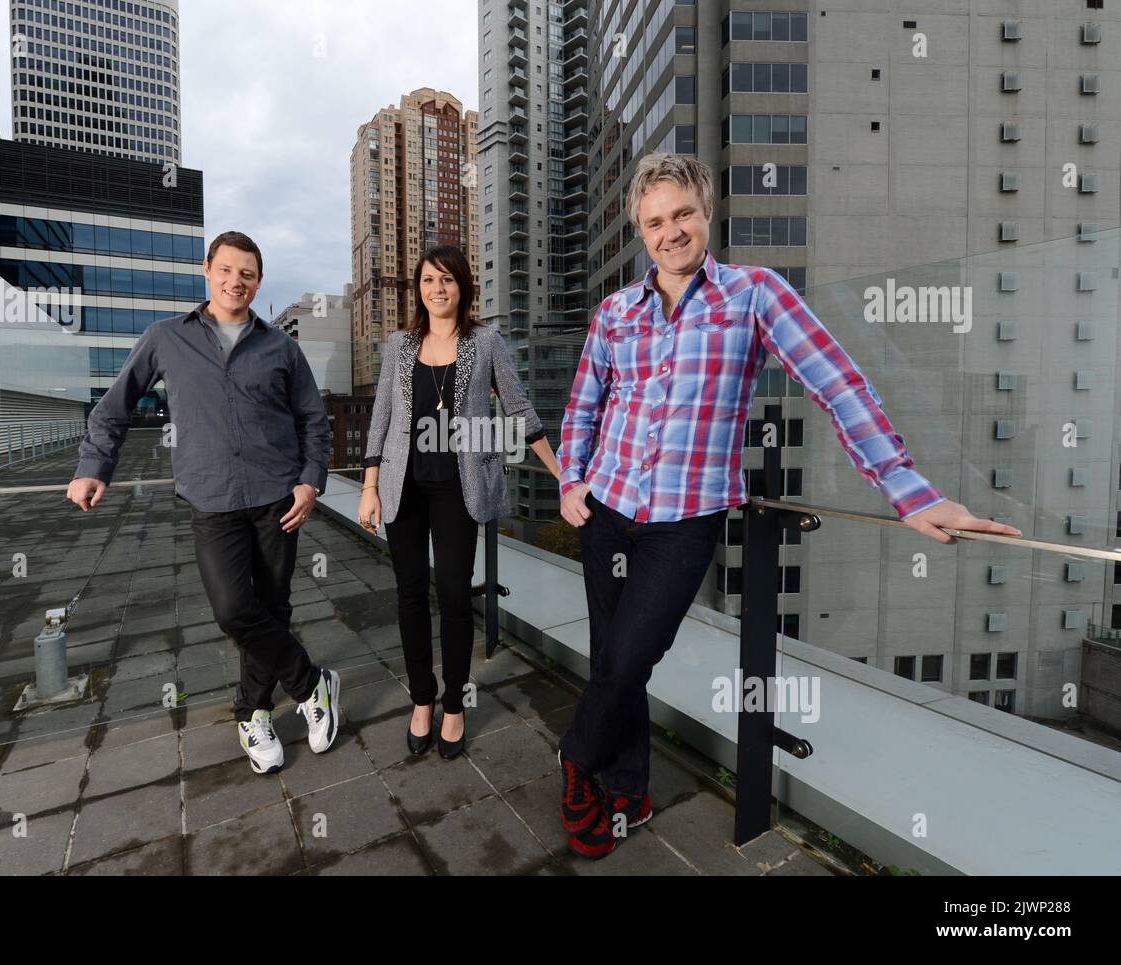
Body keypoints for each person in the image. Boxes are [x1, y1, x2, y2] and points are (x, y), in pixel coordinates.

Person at [555, 154, 1022, 859]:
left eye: (682, 213)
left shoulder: (753, 295)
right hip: (608, 510)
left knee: (626, 659)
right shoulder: (616, 311)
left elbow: (838, 383)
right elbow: (585, 402)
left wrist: (908, 490)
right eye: (654, 221)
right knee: (618, 665)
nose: (670, 231)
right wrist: (570, 481)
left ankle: (574, 757)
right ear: (640, 232)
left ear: (706, 213)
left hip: (685, 521)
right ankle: (627, 790)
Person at [65, 230, 341, 775]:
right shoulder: (166, 338)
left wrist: (310, 482)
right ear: (207, 270)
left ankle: (252, 713)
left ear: (259, 282)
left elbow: (314, 420)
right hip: (211, 500)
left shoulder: (280, 347)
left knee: (274, 609)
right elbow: (114, 406)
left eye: (248, 273)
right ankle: (312, 684)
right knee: (235, 611)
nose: (236, 281)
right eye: (227, 270)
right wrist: (93, 467)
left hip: (277, 500)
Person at [359, 245, 559, 759]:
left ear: (463, 287)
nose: (437, 289)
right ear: (419, 288)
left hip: (459, 486)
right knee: (408, 595)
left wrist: (563, 474)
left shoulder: (485, 340)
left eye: (447, 280)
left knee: (451, 594)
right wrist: (368, 484)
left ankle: (454, 706)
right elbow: (381, 415)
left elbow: (517, 405)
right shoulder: (401, 344)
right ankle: (421, 701)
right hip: (402, 486)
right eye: (428, 280)